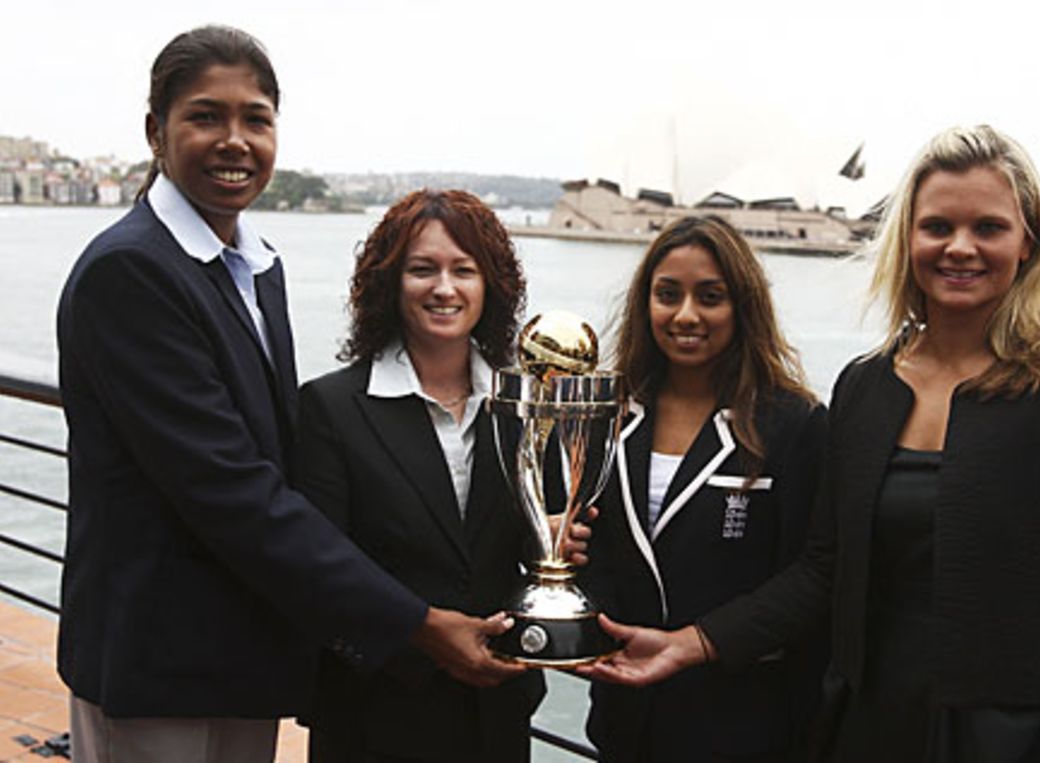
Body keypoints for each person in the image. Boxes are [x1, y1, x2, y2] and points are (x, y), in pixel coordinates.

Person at [580, 126, 1040, 762]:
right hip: (868, 725)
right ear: (906, 239)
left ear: (1029, 243)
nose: (959, 248)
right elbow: (823, 569)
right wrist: (692, 643)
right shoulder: (868, 387)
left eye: (988, 228)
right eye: (937, 226)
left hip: (1011, 739)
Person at [56, 26, 520, 763]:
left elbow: (276, 461)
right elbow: (231, 487)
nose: (235, 141)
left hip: (246, 649)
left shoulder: (253, 268)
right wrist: (415, 622)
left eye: (256, 118)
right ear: (156, 131)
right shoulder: (131, 271)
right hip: (157, 656)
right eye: (206, 116)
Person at [297, 190, 557, 762]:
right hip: (374, 712)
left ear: (491, 286)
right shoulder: (330, 408)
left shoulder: (525, 410)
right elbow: (320, 572)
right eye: (422, 270)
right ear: (390, 284)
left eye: (464, 270)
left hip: (496, 709)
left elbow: (526, 551)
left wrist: (559, 541)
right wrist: (428, 643)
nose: (445, 288)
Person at [579, 216, 829, 762]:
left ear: (742, 307)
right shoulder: (603, 417)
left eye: (710, 297)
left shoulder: (793, 423)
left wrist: (700, 642)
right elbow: (580, 542)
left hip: (742, 725)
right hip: (626, 724)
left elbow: (816, 572)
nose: (686, 315)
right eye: (668, 295)